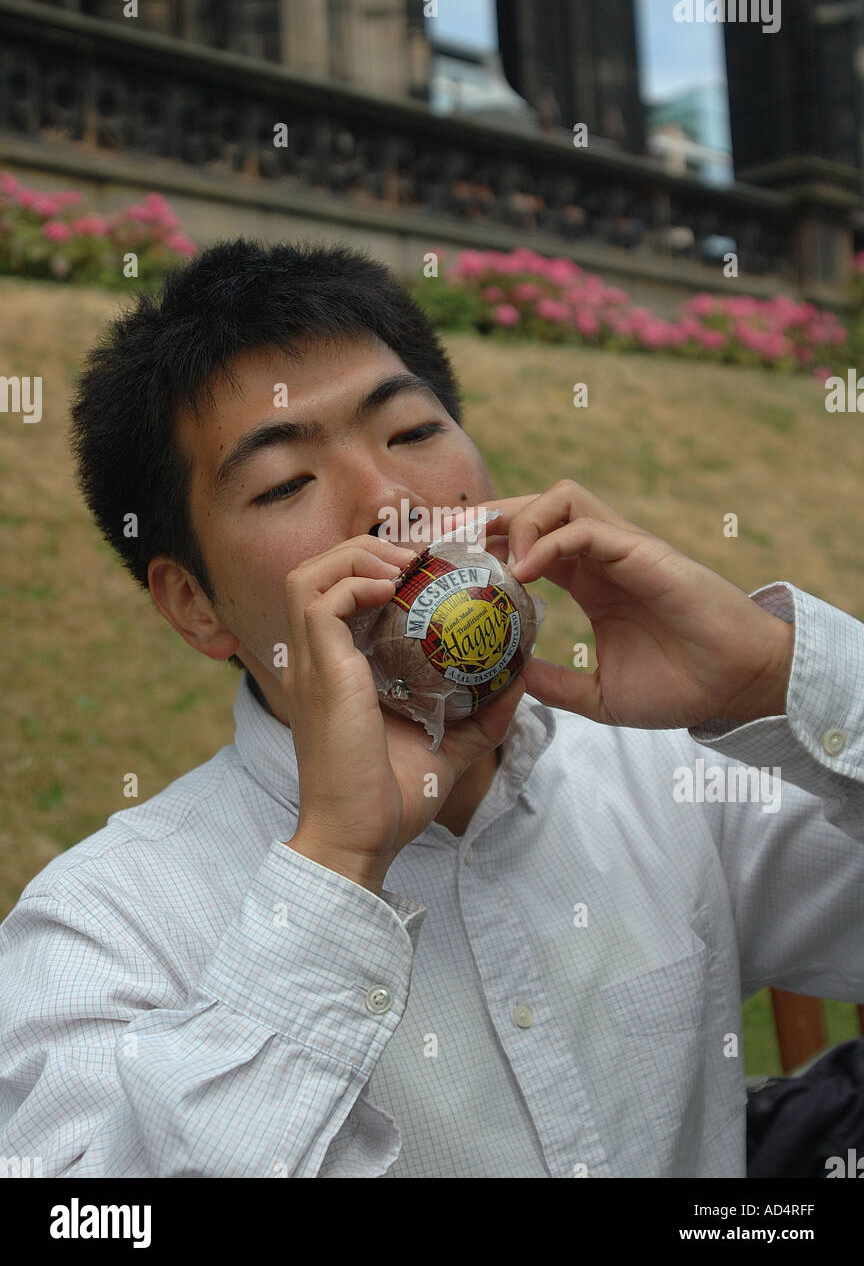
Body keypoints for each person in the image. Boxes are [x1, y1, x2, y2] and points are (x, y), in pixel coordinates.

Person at [0, 237, 862, 1178]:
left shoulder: (669, 779)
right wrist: (335, 865)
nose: (393, 502)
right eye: (285, 482)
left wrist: (773, 678)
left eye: (412, 432)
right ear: (194, 605)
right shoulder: (105, 928)